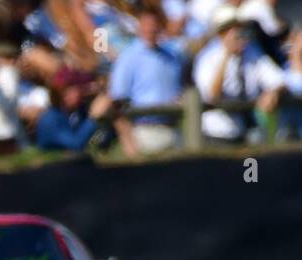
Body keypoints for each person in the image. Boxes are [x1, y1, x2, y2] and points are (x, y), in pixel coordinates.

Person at [194, 5, 286, 143]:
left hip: (247, 132)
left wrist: (273, 92)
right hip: (217, 134)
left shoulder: (252, 52)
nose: (237, 34)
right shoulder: (207, 58)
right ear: (221, 34)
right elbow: (212, 95)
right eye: (229, 30)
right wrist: (227, 56)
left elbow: (277, 78)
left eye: (238, 28)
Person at [108, 8, 184, 155]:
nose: (150, 29)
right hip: (144, 132)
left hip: (173, 131)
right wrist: (128, 141)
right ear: (139, 27)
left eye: (154, 24)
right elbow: (117, 103)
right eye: (146, 24)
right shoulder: (128, 58)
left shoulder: (172, 56)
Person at [36, 67, 110, 150]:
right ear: (65, 95)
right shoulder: (50, 119)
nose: (82, 92)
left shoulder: (76, 111)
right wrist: (93, 117)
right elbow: (75, 144)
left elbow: (96, 137)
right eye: (78, 88)